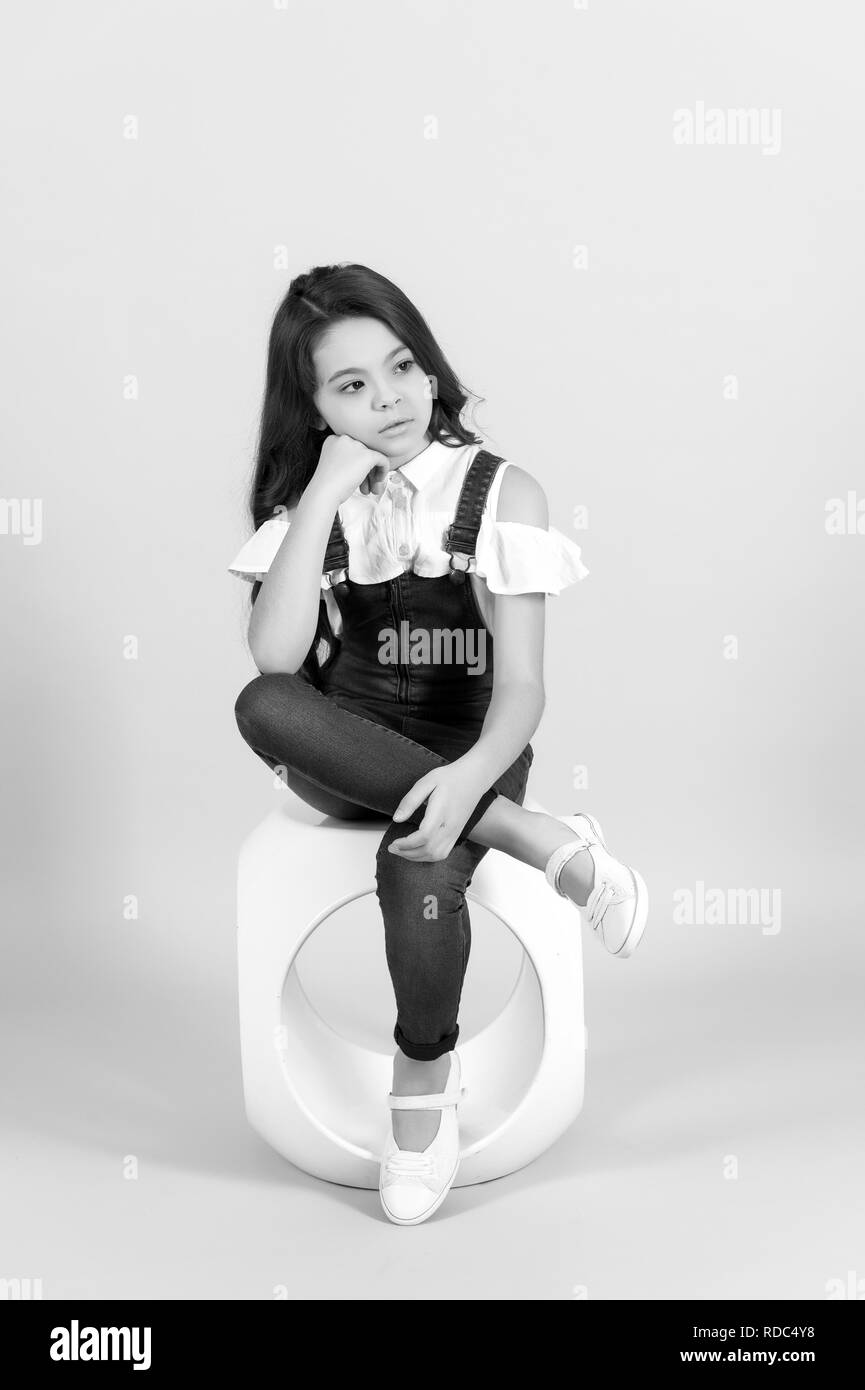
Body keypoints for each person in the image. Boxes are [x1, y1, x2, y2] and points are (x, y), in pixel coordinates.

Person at [229, 262, 648, 1226]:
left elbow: (525, 687)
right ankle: (544, 843)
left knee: (418, 877)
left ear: (429, 368)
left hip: (478, 743)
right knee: (263, 706)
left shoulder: (503, 492)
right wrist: (326, 492)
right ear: (314, 406)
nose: (388, 400)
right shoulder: (318, 499)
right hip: (346, 753)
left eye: (401, 368)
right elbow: (276, 657)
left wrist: (466, 783)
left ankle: (421, 1089)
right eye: (351, 387)